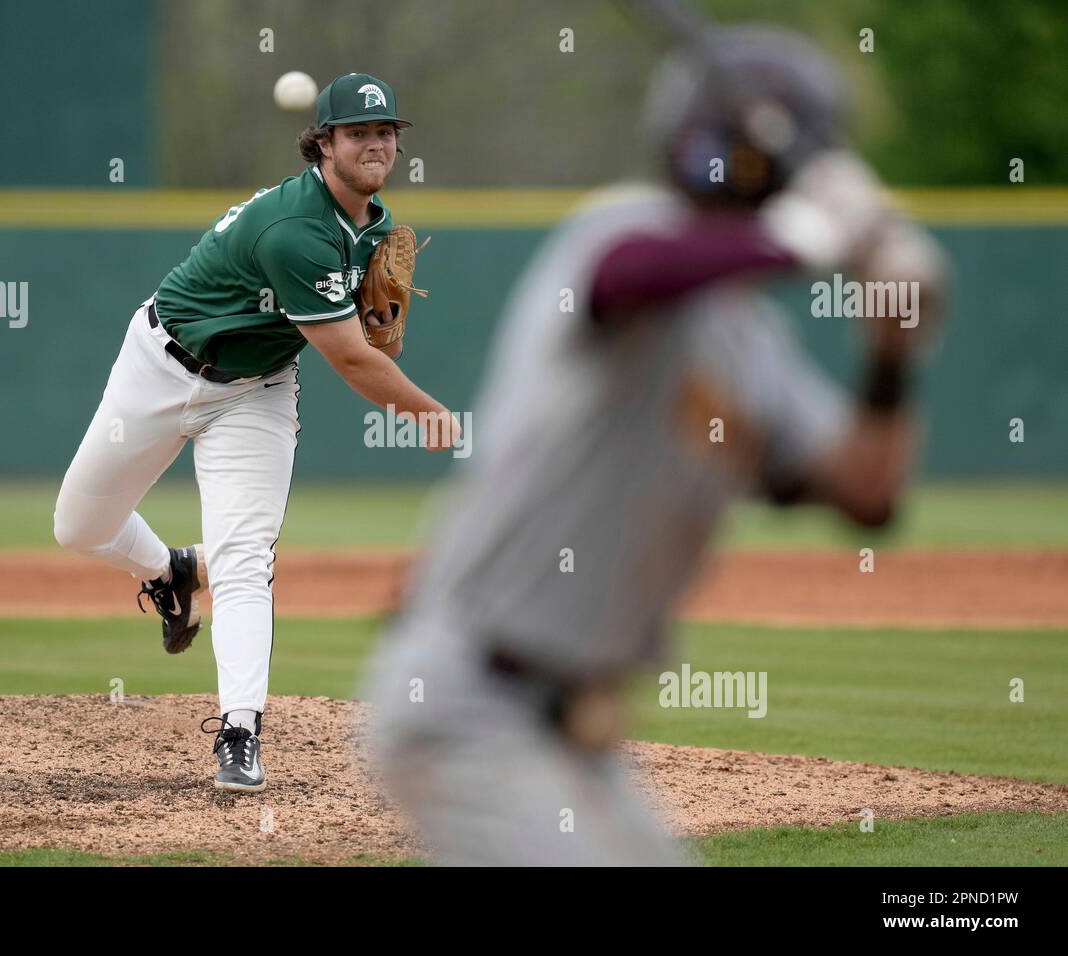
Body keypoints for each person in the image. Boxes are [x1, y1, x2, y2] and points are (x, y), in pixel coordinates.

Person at [366, 27, 946, 863]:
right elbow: (631, 277)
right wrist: (815, 234)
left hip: (574, 731)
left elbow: (869, 495)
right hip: (468, 705)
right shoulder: (621, 236)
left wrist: (892, 359)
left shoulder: (753, 351)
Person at [54, 73, 458, 793]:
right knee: (79, 526)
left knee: (243, 559)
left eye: (386, 132)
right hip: (159, 362)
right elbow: (351, 361)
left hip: (256, 392)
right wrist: (426, 411)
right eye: (358, 132)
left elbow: (373, 345)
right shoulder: (296, 231)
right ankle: (170, 572)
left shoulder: (371, 227)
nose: (375, 144)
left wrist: (380, 321)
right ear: (325, 142)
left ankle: (239, 732)